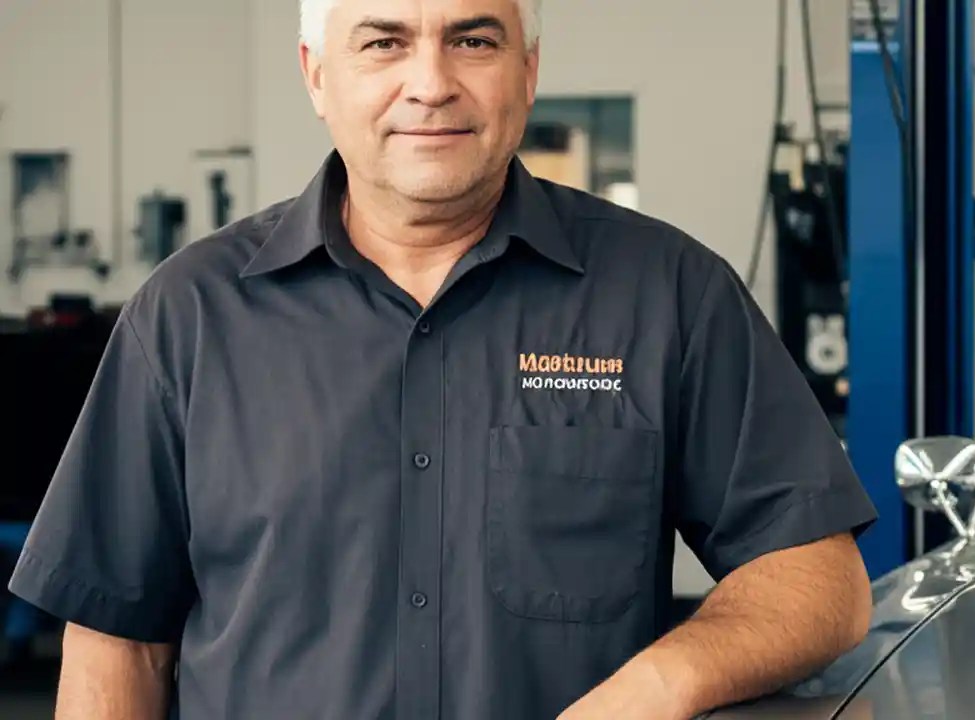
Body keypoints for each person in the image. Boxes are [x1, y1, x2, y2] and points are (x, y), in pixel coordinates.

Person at [7, 0, 878, 718]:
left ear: (528, 72)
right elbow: (118, 641)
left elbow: (819, 578)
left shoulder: (670, 296)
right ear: (318, 74)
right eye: (384, 42)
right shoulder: (190, 315)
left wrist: (662, 683)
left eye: (474, 39)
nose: (430, 84)